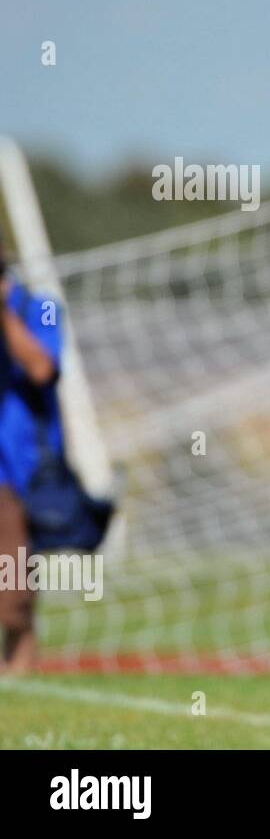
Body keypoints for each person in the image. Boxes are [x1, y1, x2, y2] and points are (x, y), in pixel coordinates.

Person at [0, 256, 64, 675]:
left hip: (20, 467)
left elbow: (42, 367)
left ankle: (18, 663)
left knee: (12, 576)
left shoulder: (40, 308)